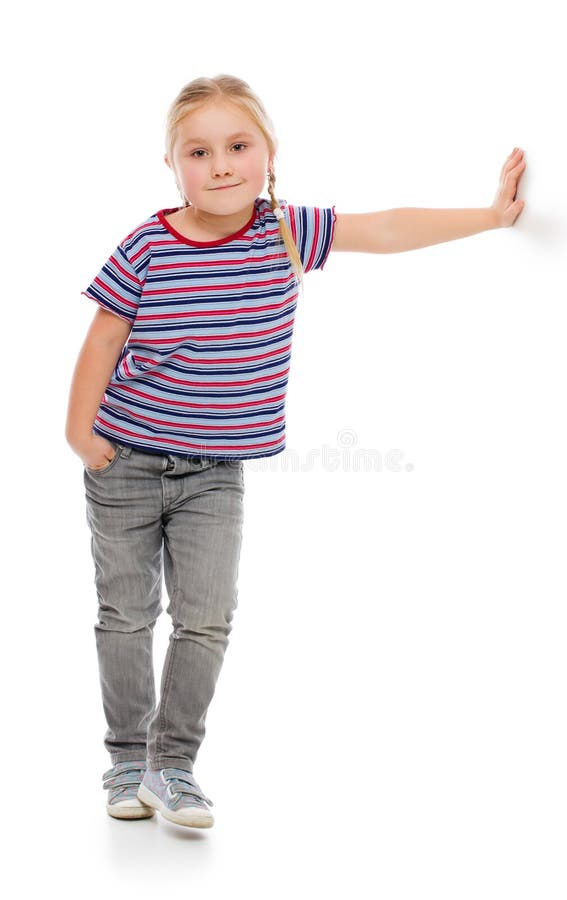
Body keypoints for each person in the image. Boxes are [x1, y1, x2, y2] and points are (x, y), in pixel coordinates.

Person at [65, 74, 526, 830]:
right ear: (173, 165)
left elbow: (385, 228)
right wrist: (81, 433)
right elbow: (104, 339)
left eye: (237, 146)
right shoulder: (149, 242)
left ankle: (171, 764)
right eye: (199, 151)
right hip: (127, 459)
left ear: (269, 155)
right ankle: (125, 759)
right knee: (125, 614)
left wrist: (488, 216)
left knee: (206, 618)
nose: (220, 165)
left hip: (216, 473)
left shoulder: (285, 231)